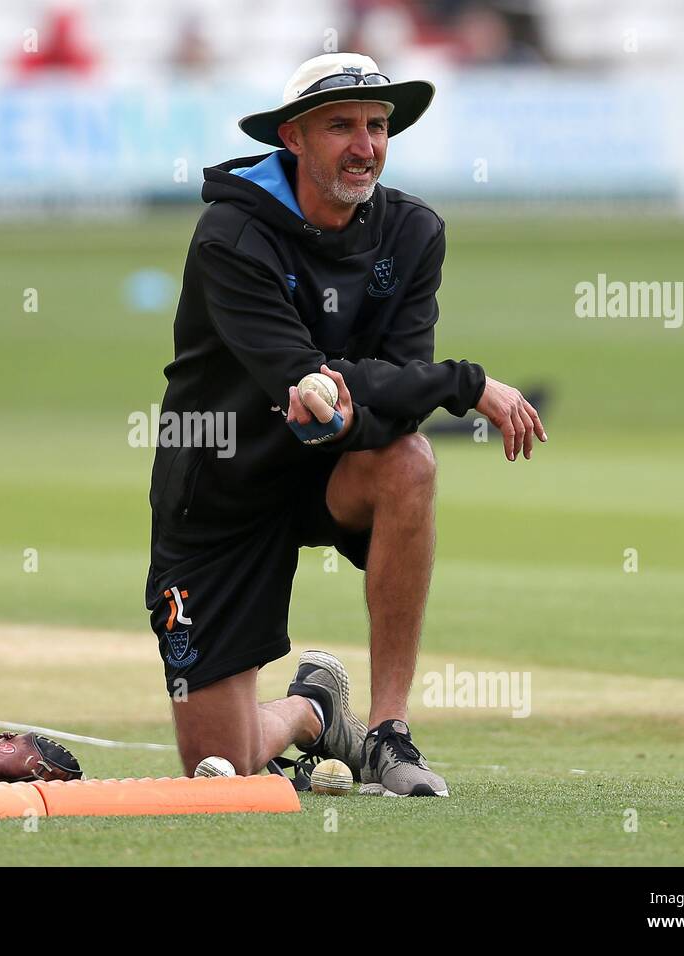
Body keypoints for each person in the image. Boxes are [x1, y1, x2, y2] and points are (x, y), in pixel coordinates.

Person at [144, 52, 546, 797]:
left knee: (411, 460)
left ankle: (388, 732)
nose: (365, 146)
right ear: (292, 138)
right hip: (220, 487)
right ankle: (313, 709)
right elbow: (297, 377)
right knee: (220, 771)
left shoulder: (413, 232)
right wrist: (470, 384)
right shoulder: (231, 236)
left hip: (332, 472)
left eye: (377, 126)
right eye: (341, 127)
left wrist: (390, 393)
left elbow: (397, 394)